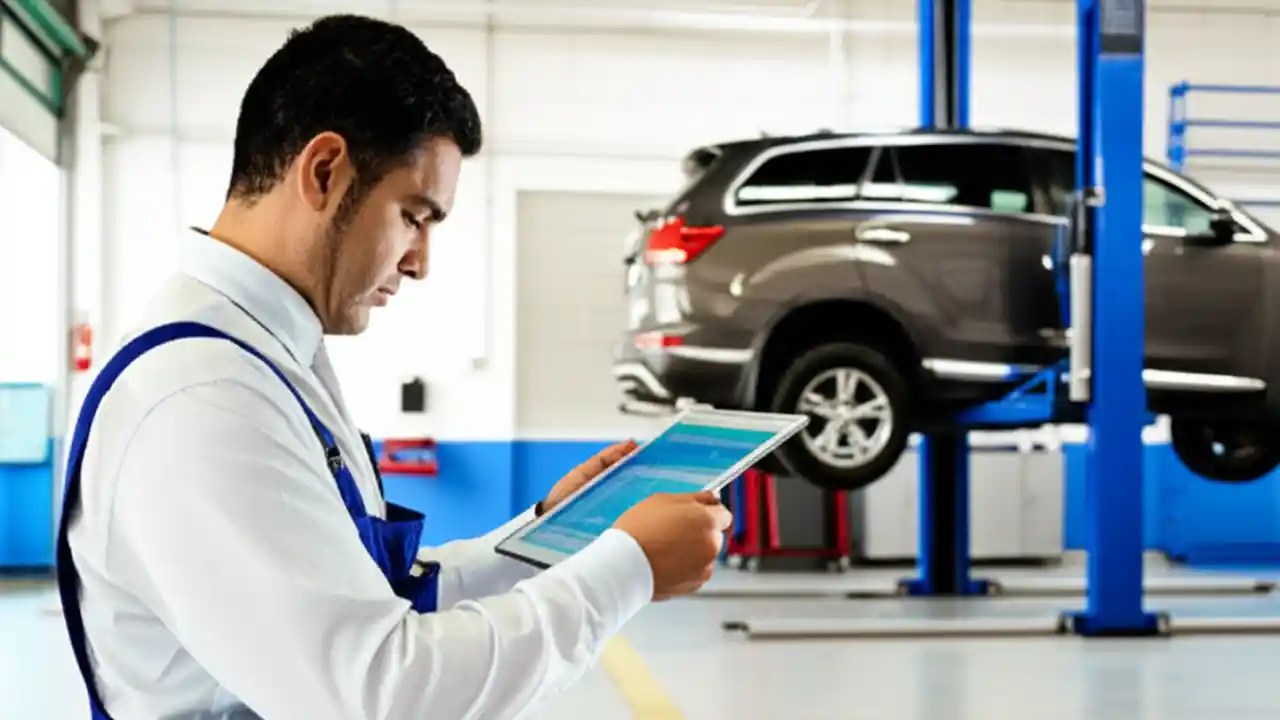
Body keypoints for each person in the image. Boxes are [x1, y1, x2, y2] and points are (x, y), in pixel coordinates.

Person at [56, 14, 732, 720]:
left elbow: (381, 590)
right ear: (324, 172)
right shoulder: (201, 396)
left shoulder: (267, 357)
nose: (420, 262)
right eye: (414, 216)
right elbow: (380, 695)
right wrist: (626, 569)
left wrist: (553, 534)